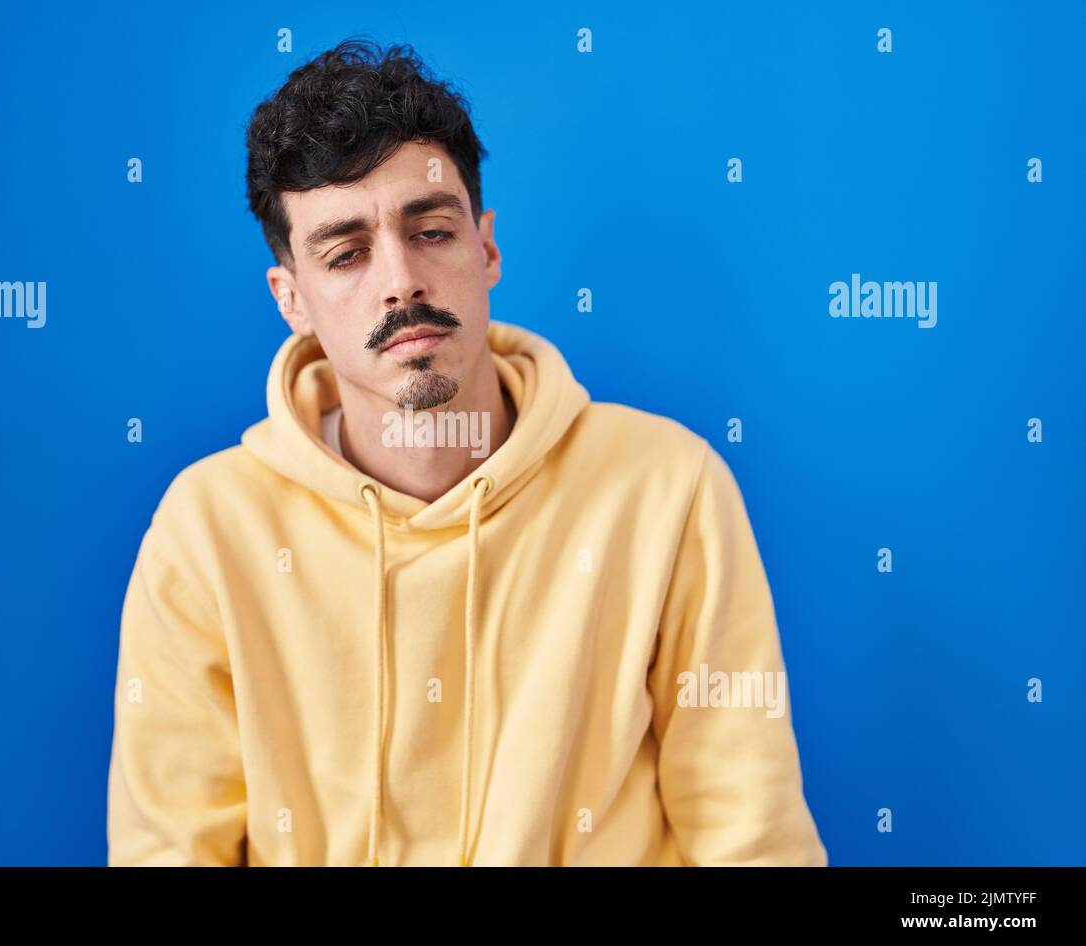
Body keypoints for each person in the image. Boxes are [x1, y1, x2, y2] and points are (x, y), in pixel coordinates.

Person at [106, 37, 827, 866]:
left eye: (432, 232)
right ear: (292, 298)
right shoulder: (206, 532)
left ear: (486, 249)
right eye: (346, 254)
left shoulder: (668, 486)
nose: (400, 281)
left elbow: (752, 841)